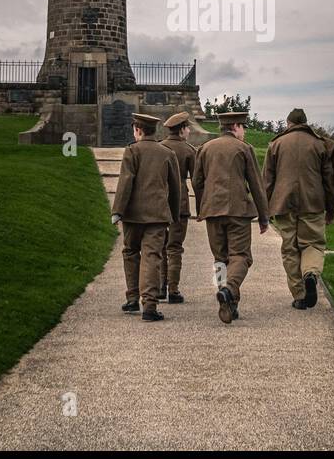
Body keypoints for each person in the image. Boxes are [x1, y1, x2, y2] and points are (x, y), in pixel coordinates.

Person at [194, 111, 269, 324]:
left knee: (220, 259)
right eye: (243, 127)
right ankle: (229, 289)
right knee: (242, 256)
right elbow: (256, 185)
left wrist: (202, 207)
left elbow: (197, 182)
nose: (244, 132)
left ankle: (227, 302)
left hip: (211, 211)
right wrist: (264, 217)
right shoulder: (244, 149)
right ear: (236, 126)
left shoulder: (205, 149)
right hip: (238, 211)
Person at [263, 108, 334, 309]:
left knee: (290, 248)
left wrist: (265, 208)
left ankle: (299, 294)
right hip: (313, 202)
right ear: (305, 123)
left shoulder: (275, 144)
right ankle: (310, 273)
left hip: (284, 203)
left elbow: (268, 180)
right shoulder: (319, 145)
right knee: (313, 243)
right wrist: (331, 209)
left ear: (289, 123)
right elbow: (328, 180)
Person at [111, 113, 181, 322]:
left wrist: (118, 211)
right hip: (158, 216)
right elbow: (175, 188)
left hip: (133, 216)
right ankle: (149, 305)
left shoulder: (132, 151)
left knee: (131, 252)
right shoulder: (167, 153)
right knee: (152, 257)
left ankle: (132, 298)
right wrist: (174, 214)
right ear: (153, 131)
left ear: (138, 130)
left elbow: (125, 182)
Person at [157, 112, 197, 303]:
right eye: (188, 128)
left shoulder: (159, 148)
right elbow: (197, 181)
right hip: (179, 204)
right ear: (181, 130)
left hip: (159, 205)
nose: (189, 131)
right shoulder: (188, 150)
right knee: (174, 247)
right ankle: (173, 290)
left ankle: (159, 287)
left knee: (160, 247)